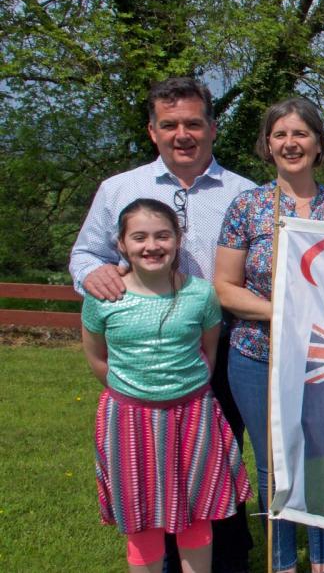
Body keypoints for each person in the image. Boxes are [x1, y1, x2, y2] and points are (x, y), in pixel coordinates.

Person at [70, 76, 256, 573]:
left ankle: (226, 561)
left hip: (221, 347)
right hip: (142, 357)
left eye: (193, 123)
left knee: (211, 467)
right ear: (153, 131)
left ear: (212, 128)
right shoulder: (119, 189)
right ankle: (162, 558)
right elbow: (85, 254)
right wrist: (94, 274)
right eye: (170, 125)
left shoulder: (245, 193)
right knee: (149, 474)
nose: (182, 134)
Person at [215, 97, 324, 573]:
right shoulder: (248, 206)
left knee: (317, 458)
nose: (290, 143)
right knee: (271, 462)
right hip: (257, 354)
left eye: (300, 133)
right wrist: (281, 313)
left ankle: (322, 561)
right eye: (280, 134)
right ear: (267, 143)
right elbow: (225, 286)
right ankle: (281, 561)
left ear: (318, 143)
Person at [81, 199, 251, 573]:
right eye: (139, 237)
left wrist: (179, 391)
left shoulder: (201, 294)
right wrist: (137, 393)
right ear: (121, 244)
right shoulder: (104, 298)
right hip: (128, 420)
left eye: (162, 236)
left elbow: (207, 352)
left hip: (193, 416)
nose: (152, 246)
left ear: (177, 240)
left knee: (198, 514)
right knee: (141, 520)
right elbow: (97, 357)